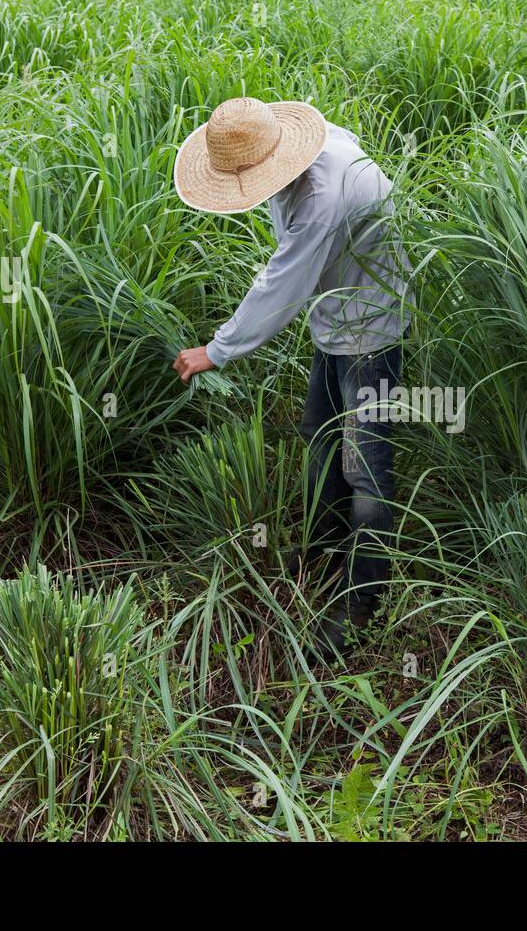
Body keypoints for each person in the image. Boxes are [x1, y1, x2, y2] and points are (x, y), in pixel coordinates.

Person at [171, 97, 410, 658]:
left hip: (372, 327)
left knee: (365, 468)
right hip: (336, 315)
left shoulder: (322, 197)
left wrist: (217, 349)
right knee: (318, 436)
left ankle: (363, 599)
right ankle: (322, 548)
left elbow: (283, 284)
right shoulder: (312, 152)